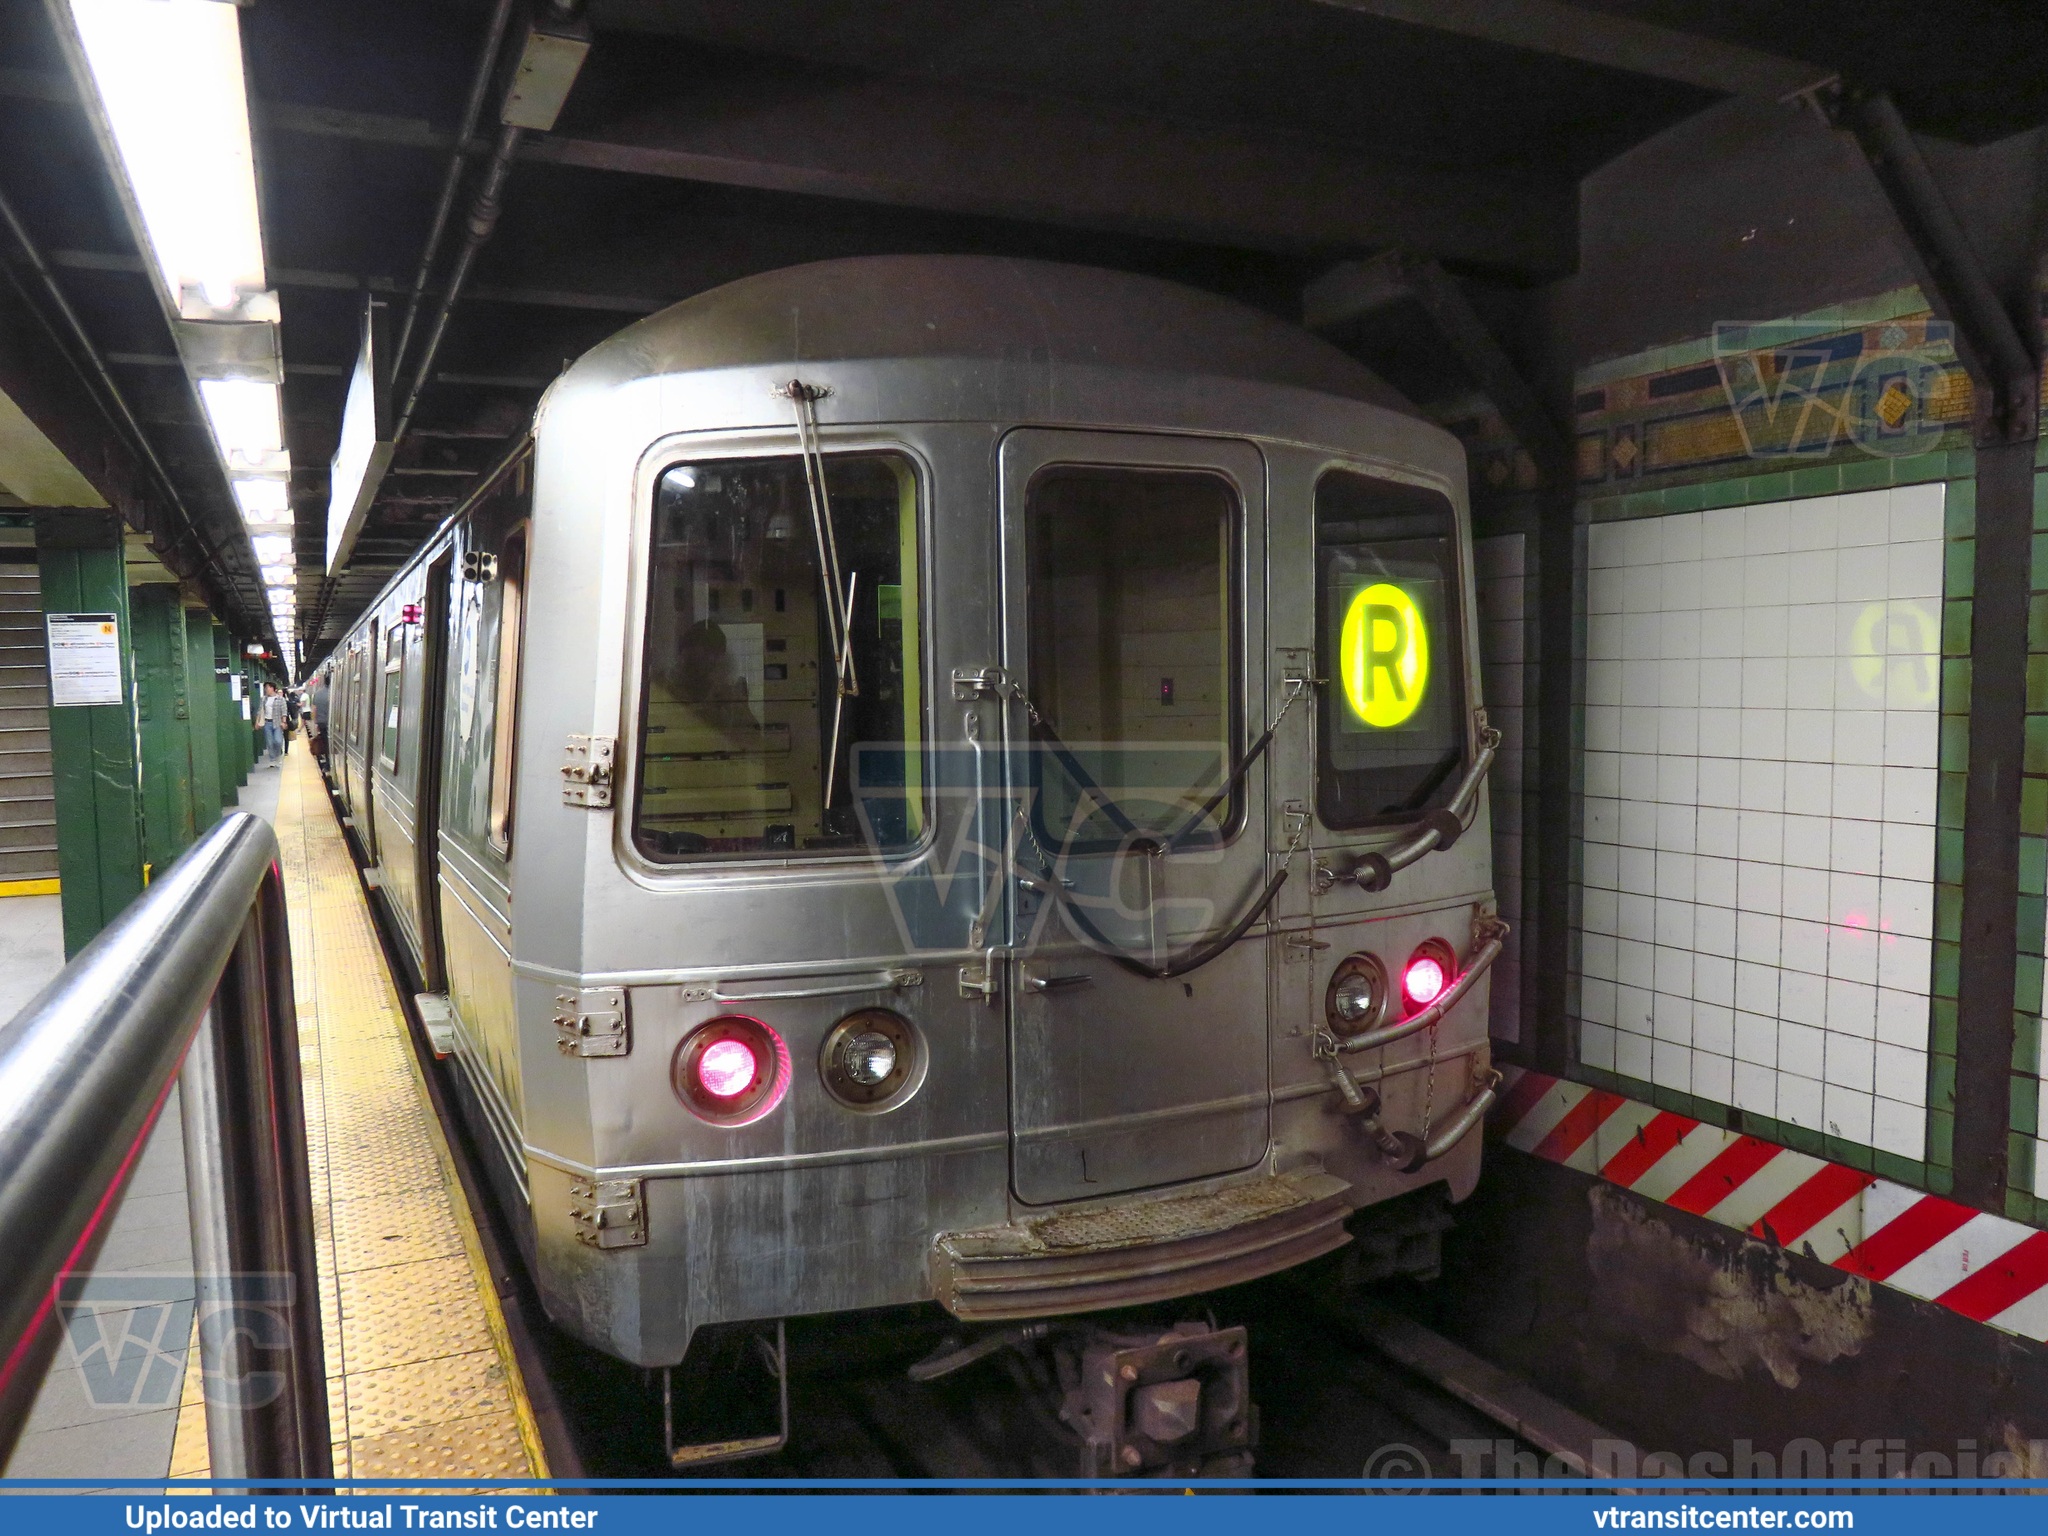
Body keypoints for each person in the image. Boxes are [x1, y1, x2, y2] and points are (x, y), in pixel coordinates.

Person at [309, 668, 330, 769]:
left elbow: (314, 710)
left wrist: (316, 723)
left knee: (325, 744)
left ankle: (327, 762)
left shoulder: (317, 694)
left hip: (322, 723)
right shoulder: (335, 693)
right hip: (331, 724)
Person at [261, 682, 288, 764]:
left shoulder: (280, 699)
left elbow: (284, 711)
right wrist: (258, 722)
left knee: (278, 741)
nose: (266, 689)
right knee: (269, 742)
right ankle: (272, 759)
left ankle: (278, 754)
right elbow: (260, 711)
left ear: (273, 688)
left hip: (277, 723)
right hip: (267, 722)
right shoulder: (264, 699)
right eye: (265, 688)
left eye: (267, 687)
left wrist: (284, 722)